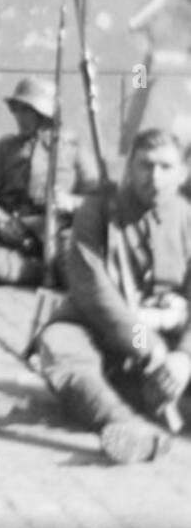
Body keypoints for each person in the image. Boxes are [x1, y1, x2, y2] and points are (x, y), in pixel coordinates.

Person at [34, 129, 191, 464]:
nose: (155, 177)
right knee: (58, 343)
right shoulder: (96, 211)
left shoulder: (187, 217)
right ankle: (122, 423)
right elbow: (92, 289)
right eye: (145, 165)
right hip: (98, 328)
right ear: (129, 168)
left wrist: (183, 357)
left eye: (166, 167)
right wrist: (146, 343)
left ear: (183, 173)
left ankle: (158, 396)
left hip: (170, 337)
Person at [0, 77, 94, 287]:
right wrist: (1, 223)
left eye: (27, 110)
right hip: (17, 233)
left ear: (43, 113)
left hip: (59, 228)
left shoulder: (72, 147)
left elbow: (97, 195)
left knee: (75, 265)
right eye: (17, 109)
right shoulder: (5, 148)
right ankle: (40, 270)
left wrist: (70, 202)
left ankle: (60, 268)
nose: (19, 116)